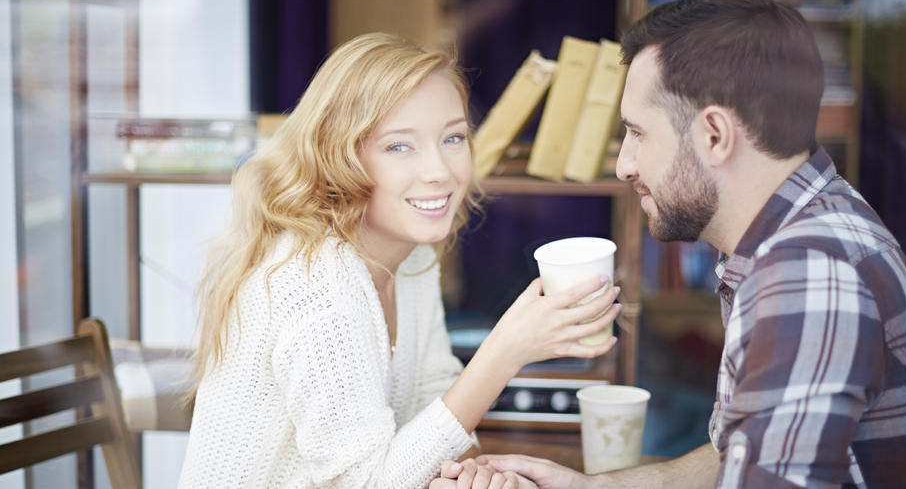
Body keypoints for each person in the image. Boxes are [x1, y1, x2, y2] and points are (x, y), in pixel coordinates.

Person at [433, 0, 906, 489]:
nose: (624, 165)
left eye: (637, 133)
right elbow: (745, 452)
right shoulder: (807, 224)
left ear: (714, 134)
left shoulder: (805, 278)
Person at [177, 33, 621, 488]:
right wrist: (504, 352)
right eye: (398, 146)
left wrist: (472, 473)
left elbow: (434, 397)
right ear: (339, 157)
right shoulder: (318, 288)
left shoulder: (411, 259)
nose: (440, 171)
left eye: (453, 138)